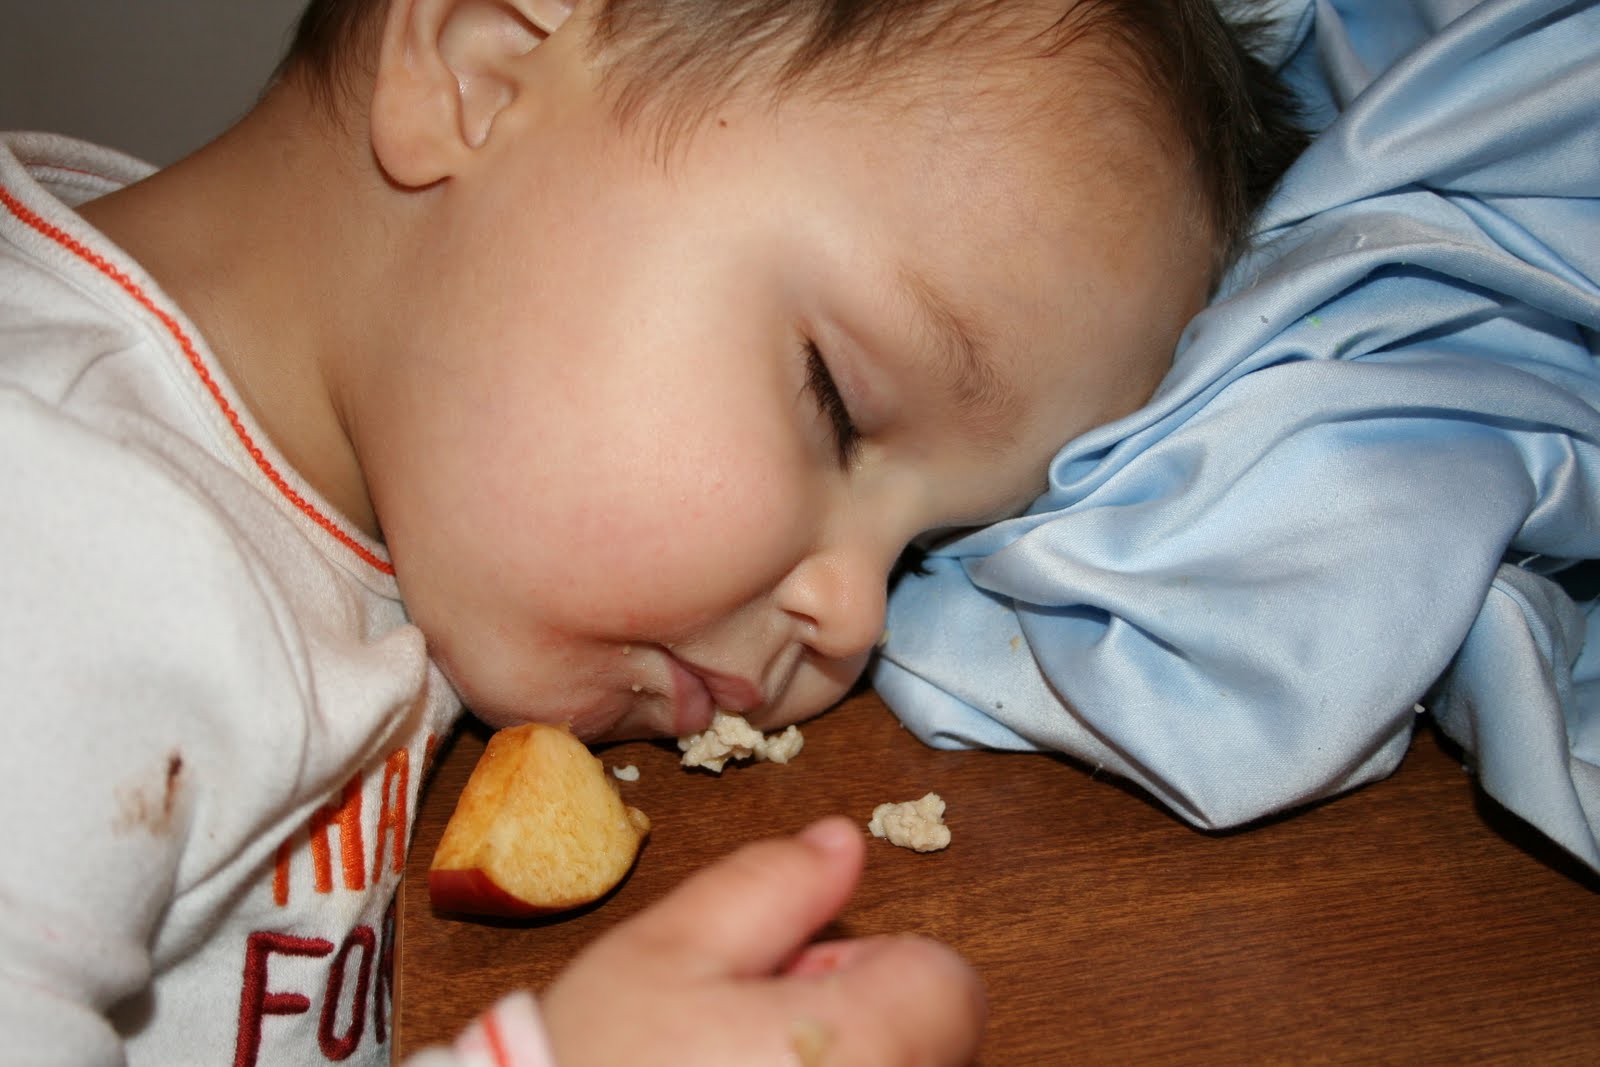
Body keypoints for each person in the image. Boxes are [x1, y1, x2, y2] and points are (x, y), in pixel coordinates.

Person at [0, 0, 1305, 1064]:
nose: (857, 616)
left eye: (919, 550)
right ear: (482, 72)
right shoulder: (57, 548)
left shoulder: (351, 432)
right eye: (837, 407)